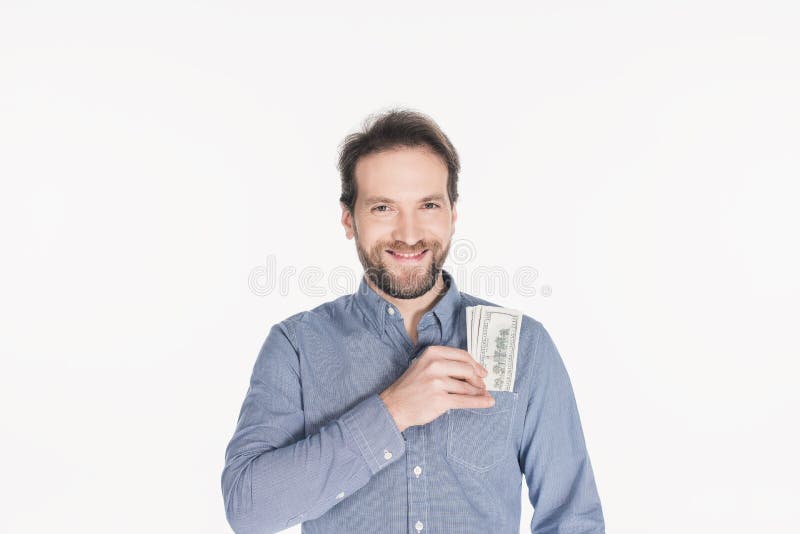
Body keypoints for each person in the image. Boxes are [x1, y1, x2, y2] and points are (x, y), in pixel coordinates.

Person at [221, 109, 605, 533]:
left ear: (453, 213)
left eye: (428, 205)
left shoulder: (525, 345)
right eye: (383, 207)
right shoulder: (296, 347)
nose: (408, 233)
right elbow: (249, 510)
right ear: (350, 219)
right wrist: (392, 411)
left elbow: (573, 520)